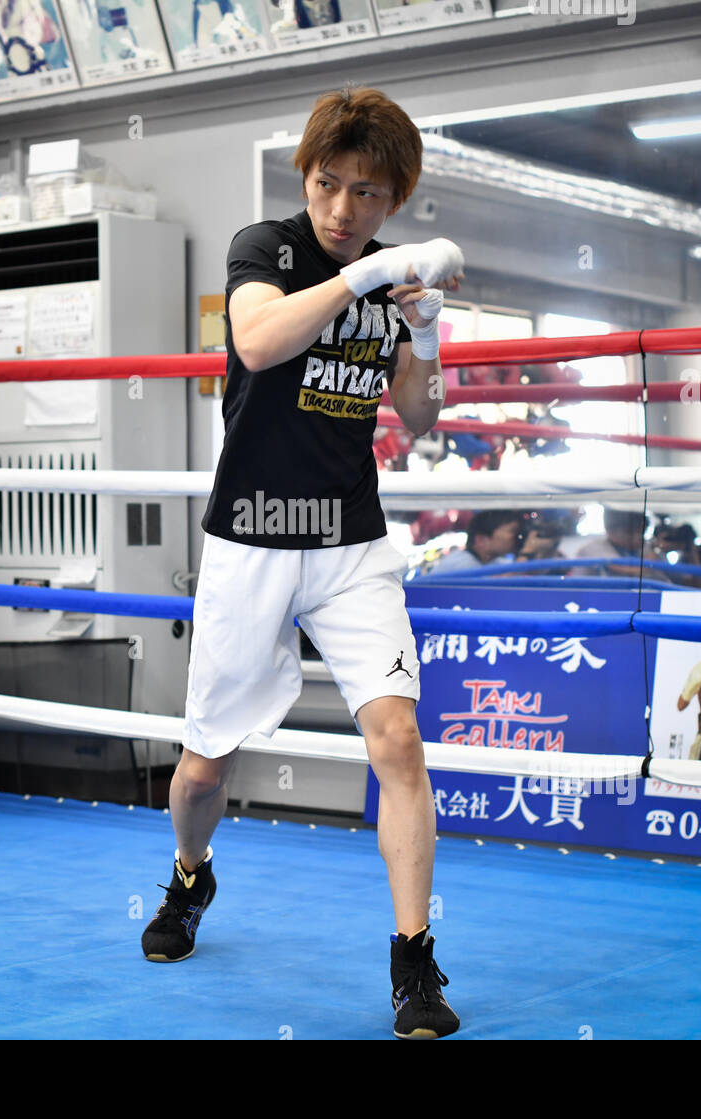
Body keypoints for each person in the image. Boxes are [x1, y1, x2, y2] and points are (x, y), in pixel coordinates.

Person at [141, 87, 466, 1040]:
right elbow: (257, 339)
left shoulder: (387, 279)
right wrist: (372, 279)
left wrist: (428, 330)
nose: (342, 210)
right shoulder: (264, 250)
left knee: (397, 740)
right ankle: (190, 879)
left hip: (351, 544)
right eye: (329, 185)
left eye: (367, 195)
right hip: (250, 540)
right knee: (205, 770)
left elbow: (422, 414)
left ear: (392, 198)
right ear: (307, 177)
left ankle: (414, 966)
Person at [426, 508, 522, 574]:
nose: (516, 537)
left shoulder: (497, 562)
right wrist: (527, 554)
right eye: (512, 531)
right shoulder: (460, 565)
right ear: (481, 540)